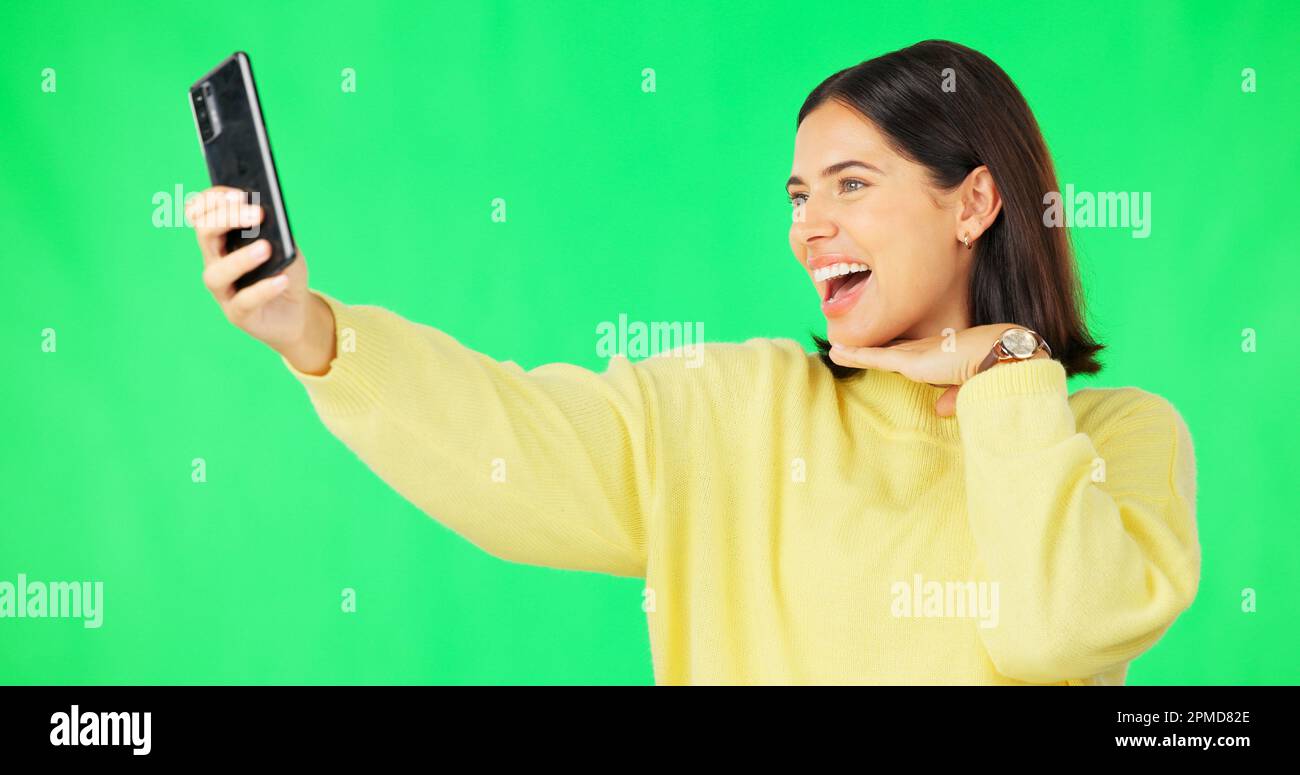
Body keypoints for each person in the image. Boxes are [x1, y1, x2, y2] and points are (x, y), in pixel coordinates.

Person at [187, 39, 1199, 685]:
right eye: (799, 197)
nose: (812, 228)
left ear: (972, 204)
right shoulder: (738, 408)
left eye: (850, 184)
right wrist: (312, 331)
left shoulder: (1115, 439)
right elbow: (507, 440)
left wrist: (1008, 374)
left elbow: (1053, 634)